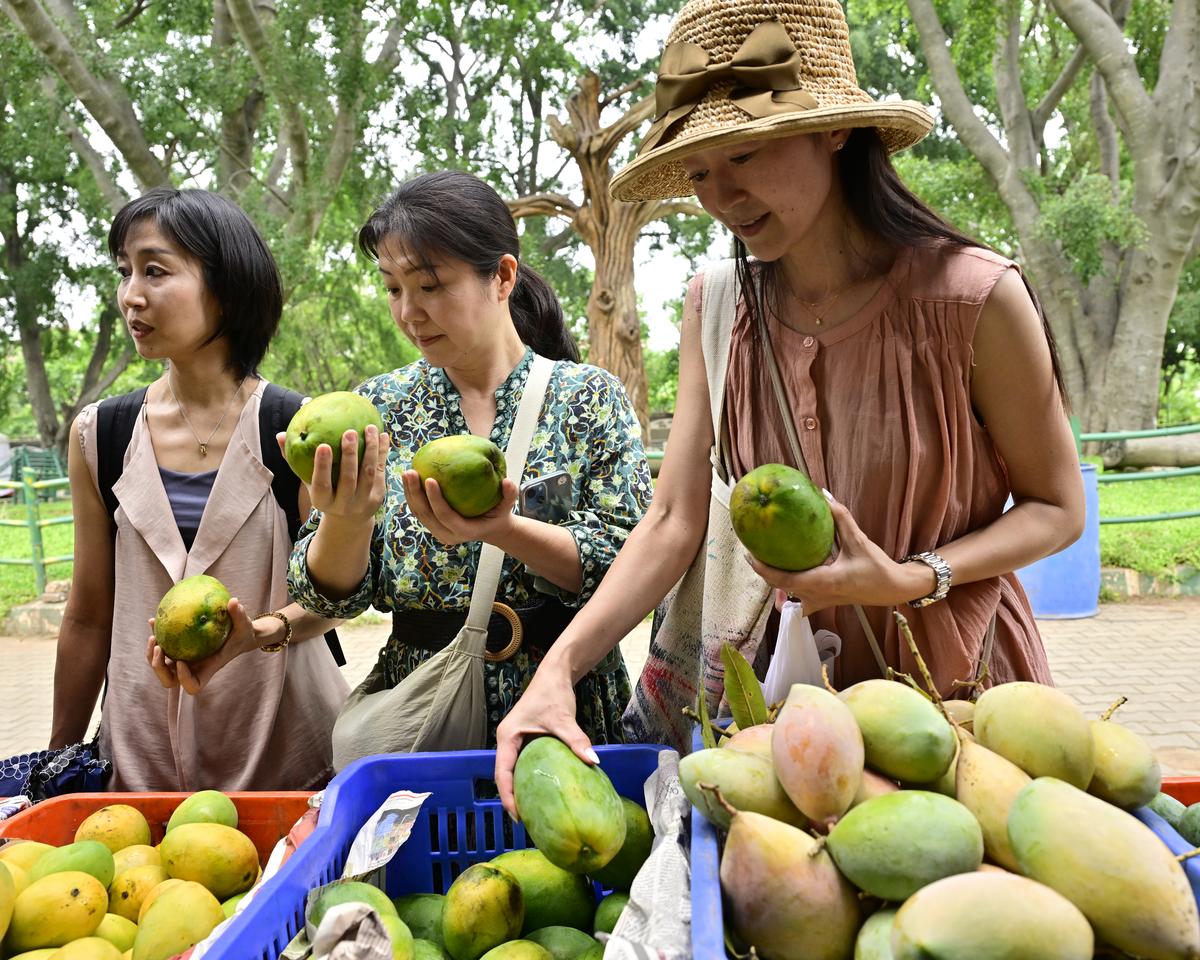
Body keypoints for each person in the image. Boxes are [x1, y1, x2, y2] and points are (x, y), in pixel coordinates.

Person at [494, 0, 1086, 810]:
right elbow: (673, 522)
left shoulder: (973, 299)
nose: (721, 196)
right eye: (699, 173)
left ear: (835, 132)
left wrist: (912, 577)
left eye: (743, 153)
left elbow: (1057, 505)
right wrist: (558, 668)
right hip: (782, 712)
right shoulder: (713, 307)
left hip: (962, 698)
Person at [286, 170, 652, 749]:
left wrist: (505, 530)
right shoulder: (377, 409)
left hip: (562, 709)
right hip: (423, 716)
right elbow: (329, 596)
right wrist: (345, 518)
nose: (409, 312)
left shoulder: (588, 399)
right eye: (392, 288)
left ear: (501, 276)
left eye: (430, 286)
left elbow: (631, 564)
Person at [52, 187, 348, 791]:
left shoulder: (294, 430)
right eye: (125, 272)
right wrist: (56, 764)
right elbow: (87, 617)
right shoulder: (99, 435)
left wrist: (262, 632)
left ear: (226, 287)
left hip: (286, 757)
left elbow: (335, 592)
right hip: (139, 766)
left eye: (156, 271)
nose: (132, 295)